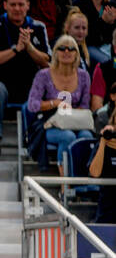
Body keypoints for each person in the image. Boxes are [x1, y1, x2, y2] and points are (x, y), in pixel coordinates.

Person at [0, 0, 52, 159]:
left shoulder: (38, 27)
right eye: (13, 4)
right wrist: (16, 49)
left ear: (28, 5)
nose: (17, 8)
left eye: (21, 4)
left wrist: (29, 48)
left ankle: (34, 144)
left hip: (28, 83)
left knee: (42, 88)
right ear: (5, 5)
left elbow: (47, 63)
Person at [28, 35, 94, 176]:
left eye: (71, 49)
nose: (66, 52)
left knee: (86, 135)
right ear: (55, 52)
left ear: (77, 53)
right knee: (67, 137)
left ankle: (82, 180)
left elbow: (85, 105)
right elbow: (32, 105)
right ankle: (65, 184)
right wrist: (54, 103)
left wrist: (70, 111)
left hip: (76, 122)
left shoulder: (84, 76)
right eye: (62, 48)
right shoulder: (43, 75)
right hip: (50, 123)